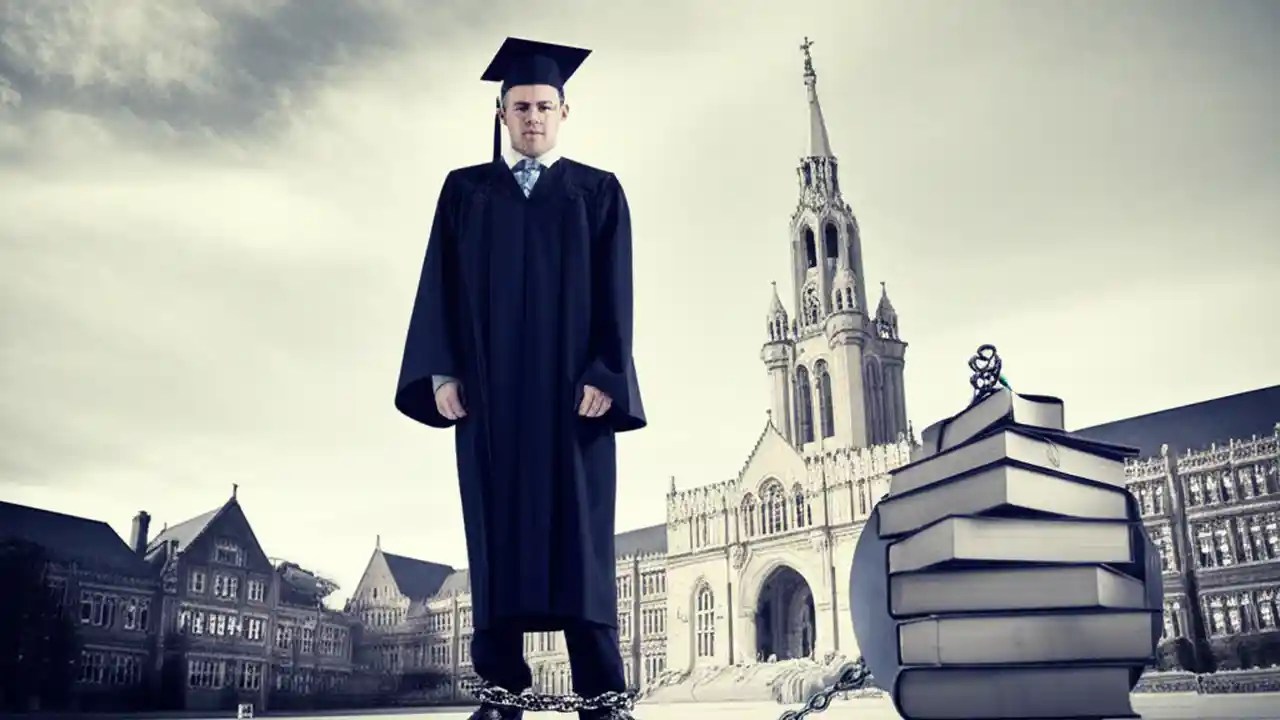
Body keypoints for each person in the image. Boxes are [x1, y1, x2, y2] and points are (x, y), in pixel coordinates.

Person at [394, 36, 646, 720]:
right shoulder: (465, 193)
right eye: (520, 106)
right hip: (491, 400)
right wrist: (440, 370)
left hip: (574, 403)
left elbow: (616, 295)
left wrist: (607, 372)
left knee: (582, 544)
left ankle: (602, 693)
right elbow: (437, 288)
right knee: (495, 537)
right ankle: (502, 692)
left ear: (565, 110)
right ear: (501, 113)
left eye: (543, 105)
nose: (532, 117)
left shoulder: (598, 193)